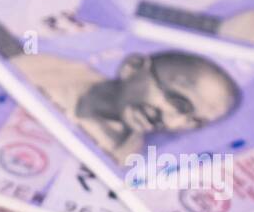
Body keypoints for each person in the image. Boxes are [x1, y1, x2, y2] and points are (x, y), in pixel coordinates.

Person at [14, 48, 240, 159]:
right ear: (132, 67)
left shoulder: (122, 165)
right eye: (178, 103)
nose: (171, 123)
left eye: (194, 122)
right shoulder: (41, 70)